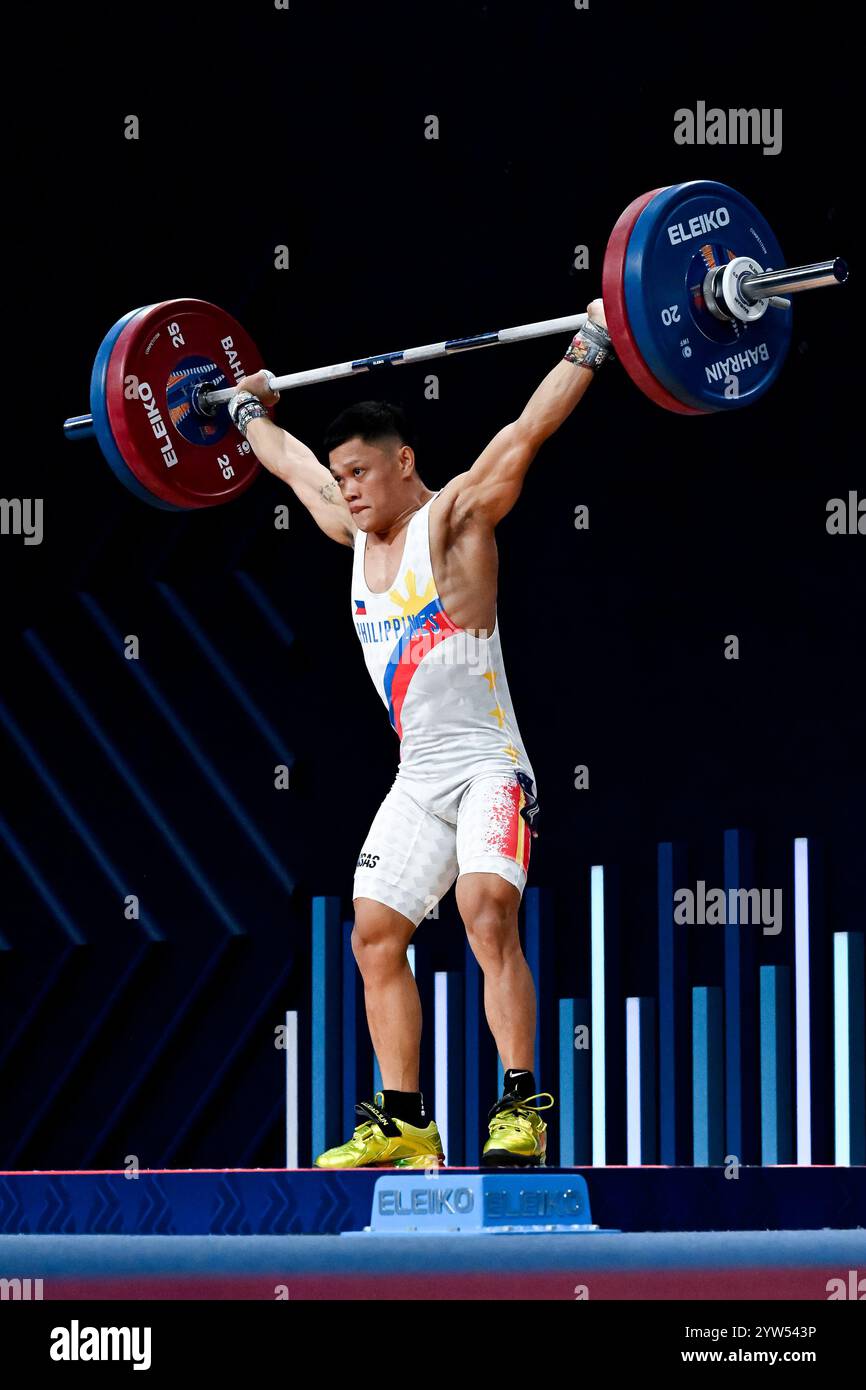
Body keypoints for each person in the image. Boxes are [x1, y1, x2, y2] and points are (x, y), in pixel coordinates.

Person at [228, 302, 612, 1167]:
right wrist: (247, 408)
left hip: (490, 769)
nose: (349, 488)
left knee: (486, 910)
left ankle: (522, 1109)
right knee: (372, 930)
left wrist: (594, 339)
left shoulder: (455, 523)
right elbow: (291, 467)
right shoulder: (350, 529)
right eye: (343, 475)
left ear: (405, 464)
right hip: (419, 777)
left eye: (361, 471)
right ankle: (404, 1123)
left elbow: (523, 434)